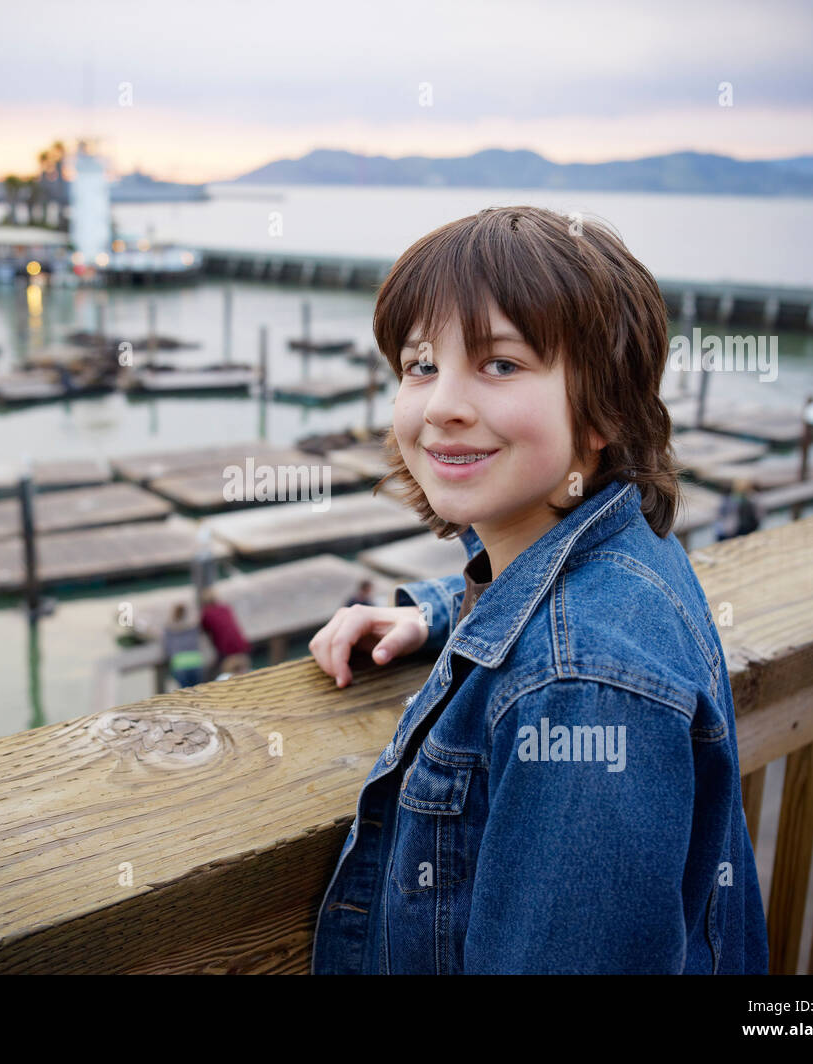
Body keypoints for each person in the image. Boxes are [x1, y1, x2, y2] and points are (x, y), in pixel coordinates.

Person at [306, 205, 767, 974]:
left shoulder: (582, 687)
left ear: (604, 412)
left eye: (501, 365)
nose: (444, 403)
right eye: (421, 365)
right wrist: (439, 613)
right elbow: (558, 590)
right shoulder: (628, 547)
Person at [199, 587, 251, 678]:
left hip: (226, 649)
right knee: (245, 674)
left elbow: (203, 629)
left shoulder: (206, 613)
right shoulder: (225, 608)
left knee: (228, 677)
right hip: (241, 645)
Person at [161, 603, 204, 689]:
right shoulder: (193, 627)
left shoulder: (169, 629)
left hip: (180, 663)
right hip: (195, 661)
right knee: (199, 693)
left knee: (186, 693)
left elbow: (167, 648)